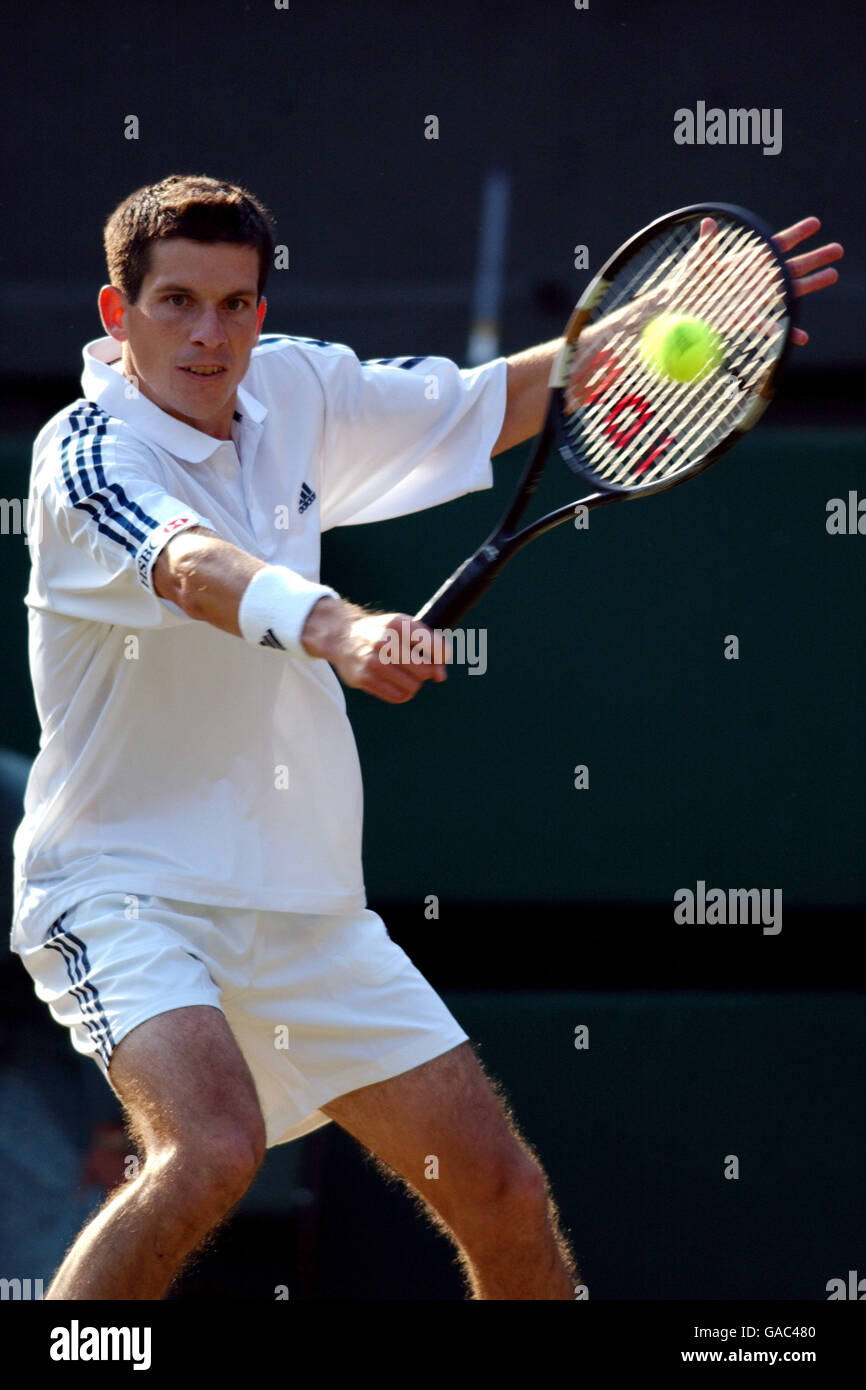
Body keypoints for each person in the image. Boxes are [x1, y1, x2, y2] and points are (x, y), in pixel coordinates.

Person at [10, 174, 842, 1301]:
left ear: (261, 305)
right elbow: (191, 565)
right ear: (118, 316)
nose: (209, 335)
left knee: (503, 1195)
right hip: (122, 891)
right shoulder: (85, 455)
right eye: (175, 303)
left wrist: (645, 327)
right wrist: (338, 626)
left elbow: (491, 403)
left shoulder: (293, 387)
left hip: (304, 908)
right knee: (207, 1150)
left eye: (236, 303)